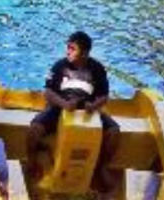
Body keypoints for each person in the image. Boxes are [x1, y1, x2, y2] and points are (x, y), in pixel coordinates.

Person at [26, 31, 120, 191]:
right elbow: (48, 93)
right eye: (68, 47)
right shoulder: (59, 66)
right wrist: (64, 104)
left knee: (114, 131)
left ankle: (101, 167)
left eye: (72, 49)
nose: (67, 51)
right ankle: (31, 161)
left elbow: (104, 96)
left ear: (85, 53)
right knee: (34, 128)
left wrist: (94, 106)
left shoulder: (97, 69)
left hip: (87, 111)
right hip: (60, 108)